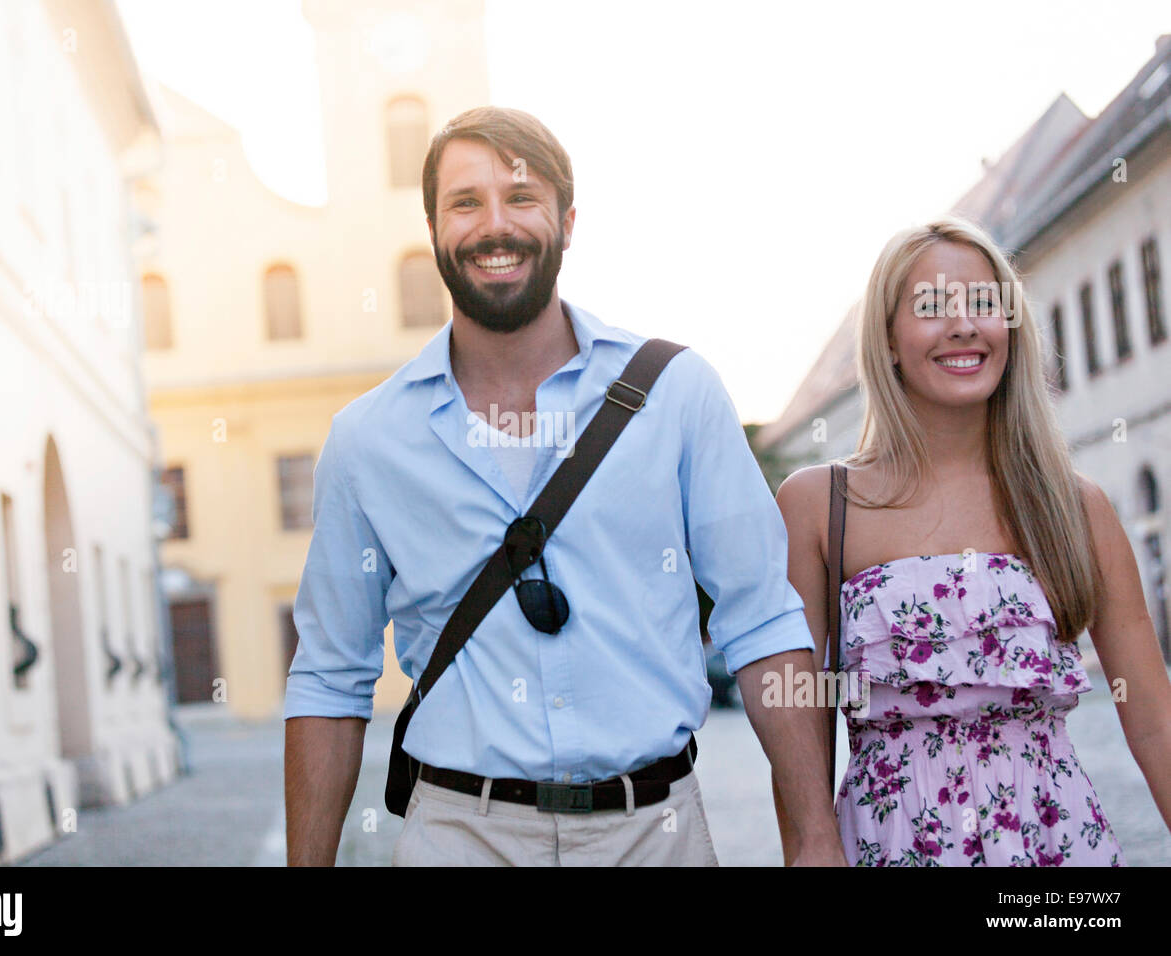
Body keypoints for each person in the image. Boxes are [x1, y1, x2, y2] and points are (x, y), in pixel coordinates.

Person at [283, 106, 846, 866]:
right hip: (460, 838)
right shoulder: (367, 440)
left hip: (655, 837)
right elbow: (329, 679)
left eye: (521, 197)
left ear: (568, 222)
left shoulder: (677, 393)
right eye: (465, 203)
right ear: (433, 229)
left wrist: (815, 840)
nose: (495, 225)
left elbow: (765, 623)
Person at [774, 216, 1171, 866]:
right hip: (891, 844)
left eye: (985, 302)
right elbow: (798, 720)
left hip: (1055, 848)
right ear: (887, 339)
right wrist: (809, 850)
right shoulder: (820, 505)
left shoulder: (1076, 506)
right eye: (932, 306)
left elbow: (1153, 717)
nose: (963, 325)